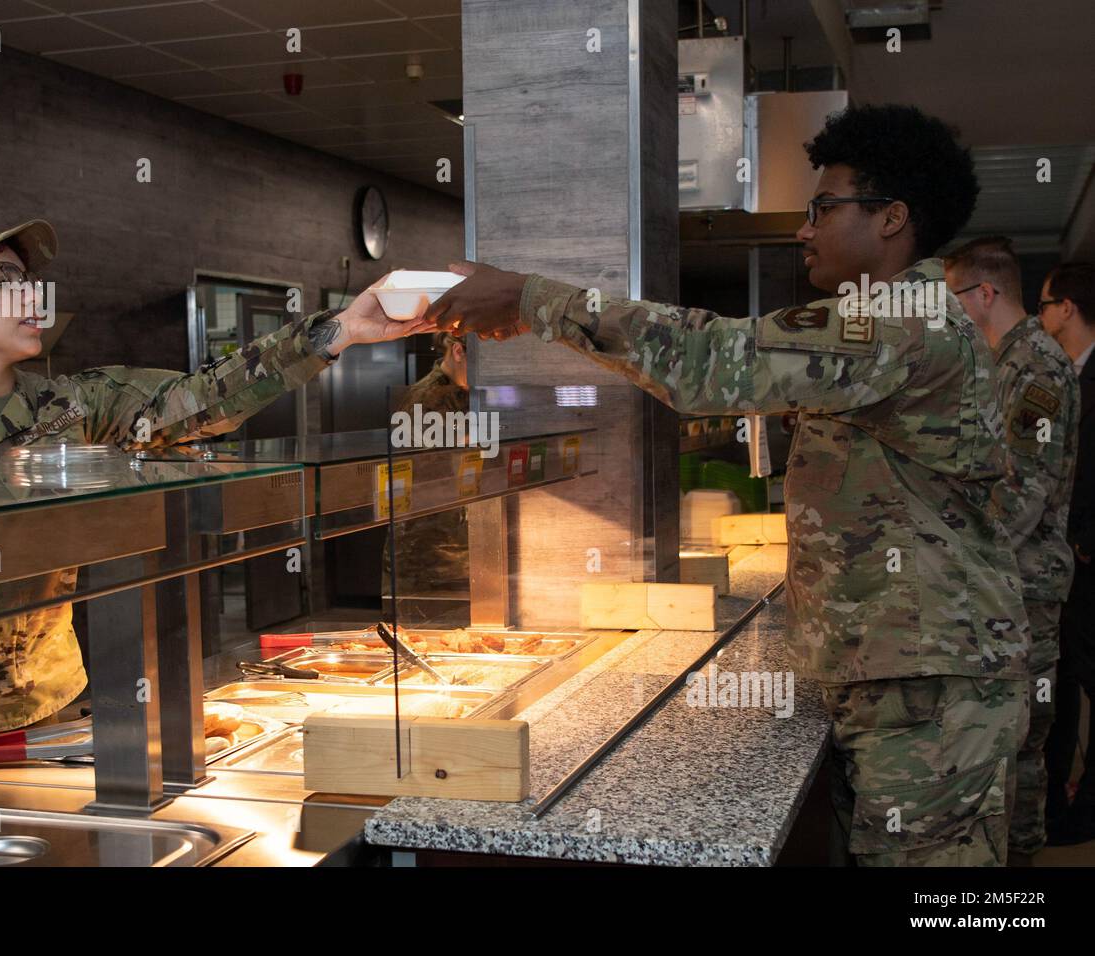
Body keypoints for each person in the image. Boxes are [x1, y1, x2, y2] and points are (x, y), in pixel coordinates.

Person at [427, 104, 1030, 865]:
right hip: (900, 674)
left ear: (892, 219)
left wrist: (528, 297)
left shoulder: (901, 321)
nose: (804, 230)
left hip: (932, 685)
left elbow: (711, 360)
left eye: (824, 208)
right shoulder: (892, 320)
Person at [0, 218, 431, 784]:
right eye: (4, 280)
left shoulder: (78, 407)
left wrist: (340, 331)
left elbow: (205, 396)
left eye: (30, 280)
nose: (32, 295)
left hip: (50, 719)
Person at [944, 237, 1079, 860]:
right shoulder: (1005, 359)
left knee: (1022, 738)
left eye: (953, 300)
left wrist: (961, 557)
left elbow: (1026, 489)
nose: (949, 315)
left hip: (1023, 584)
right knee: (1005, 736)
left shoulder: (1037, 366)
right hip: (1006, 581)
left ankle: (1017, 873)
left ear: (984, 294)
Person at [1037, 262, 1095, 845]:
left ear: (1068, 309)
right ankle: (1062, 803)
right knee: (1070, 674)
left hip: (1085, 555)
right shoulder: (1066, 375)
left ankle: (1082, 813)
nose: (1040, 316)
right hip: (1070, 554)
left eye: (1046, 304)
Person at [383, 332, 470, 618]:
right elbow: (417, 481)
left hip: (459, 551)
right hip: (426, 556)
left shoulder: (467, 394)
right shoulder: (425, 400)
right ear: (458, 352)